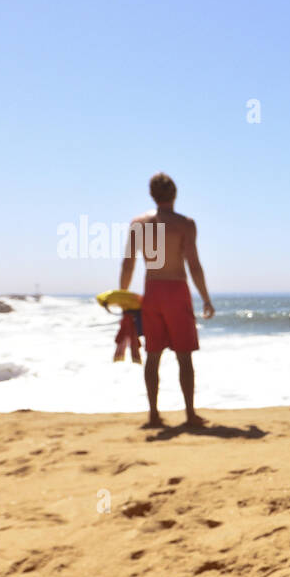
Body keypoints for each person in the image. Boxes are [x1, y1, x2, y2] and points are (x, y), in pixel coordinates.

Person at [119, 173, 214, 428]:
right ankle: (190, 414)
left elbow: (128, 264)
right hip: (176, 290)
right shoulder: (185, 224)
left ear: (152, 195)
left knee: (153, 354)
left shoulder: (139, 223)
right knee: (184, 356)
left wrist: (124, 298)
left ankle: (153, 414)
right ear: (175, 194)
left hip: (152, 291)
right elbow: (193, 265)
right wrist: (205, 298)